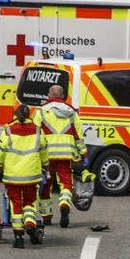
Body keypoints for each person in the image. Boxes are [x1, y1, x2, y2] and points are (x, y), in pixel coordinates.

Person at [0, 104, 49, 249]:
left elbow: (1, 150)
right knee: (30, 202)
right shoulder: (37, 130)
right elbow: (43, 149)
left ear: (15, 114)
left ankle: (18, 238)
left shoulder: (8, 130)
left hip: (13, 175)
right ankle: (30, 224)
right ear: (29, 114)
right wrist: (46, 163)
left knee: (16, 204)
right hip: (31, 174)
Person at [33, 84, 86, 228]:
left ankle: (47, 217)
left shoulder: (41, 112)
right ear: (63, 96)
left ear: (49, 96)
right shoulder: (72, 112)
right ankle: (64, 205)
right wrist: (83, 153)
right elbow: (79, 135)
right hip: (66, 154)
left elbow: (35, 134)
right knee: (66, 184)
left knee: (46, 185)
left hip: (47, 155)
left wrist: (34, 152)